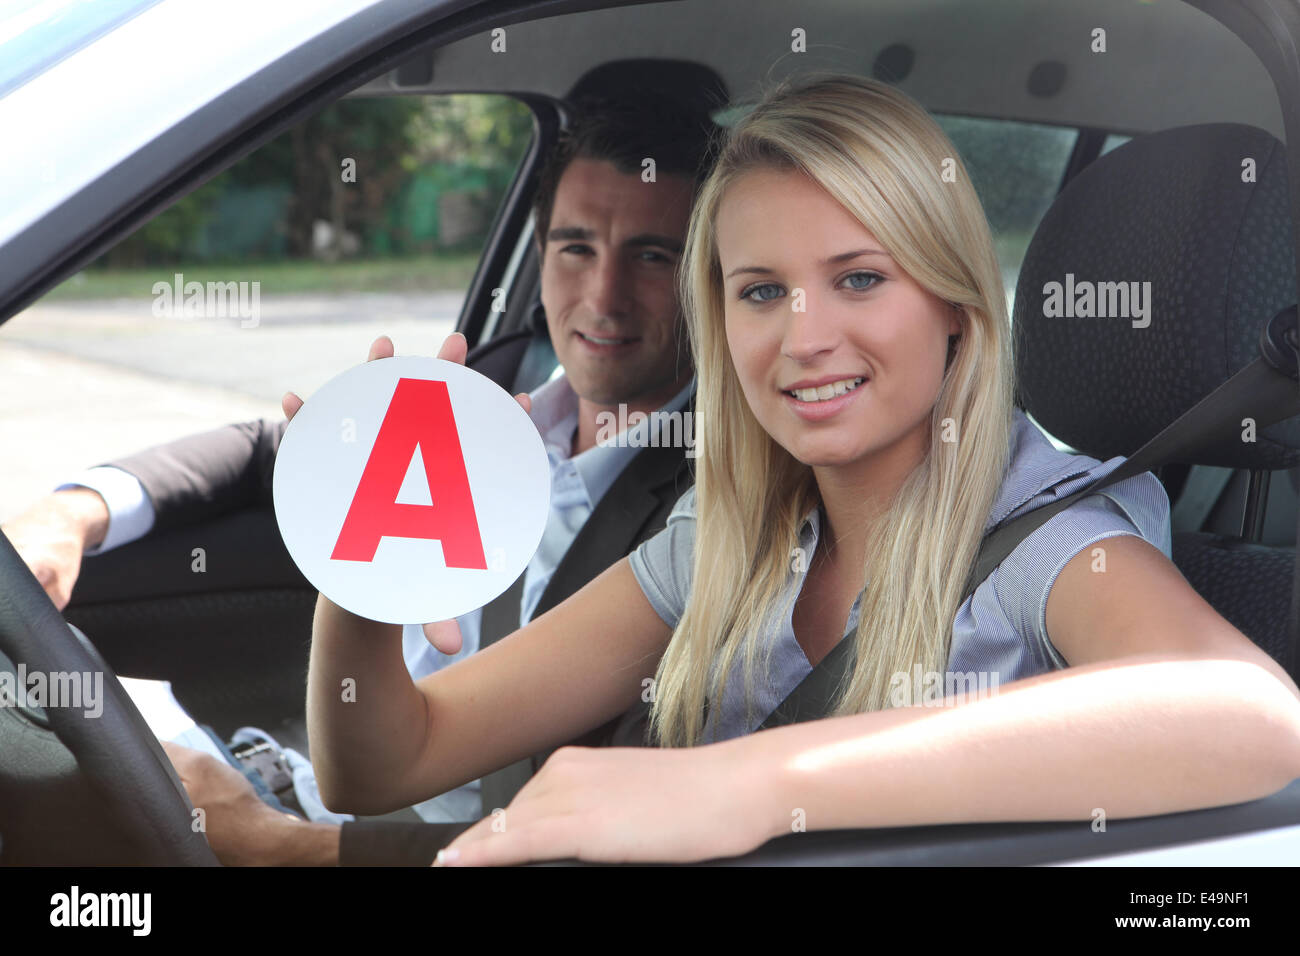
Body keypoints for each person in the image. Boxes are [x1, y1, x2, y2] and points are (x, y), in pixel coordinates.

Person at [298, 72, 1300, 867]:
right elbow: (388, 759)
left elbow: (1254, 715)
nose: (803, 335)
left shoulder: (1047, 538)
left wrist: (749, 781)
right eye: (761, 290)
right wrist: (362, 573)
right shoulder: (728, 541)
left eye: (858, 278)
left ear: (952, 302)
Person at [2, 97, 717, 855]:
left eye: (652, 255)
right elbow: (264, 450)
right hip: (297, 784)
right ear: (539, 250)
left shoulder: (709, 513)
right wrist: (74, 512)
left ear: (707, 274)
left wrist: (273, 842)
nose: (602, 298)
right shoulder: (498, 389)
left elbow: (578, 838)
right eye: (576, 248)